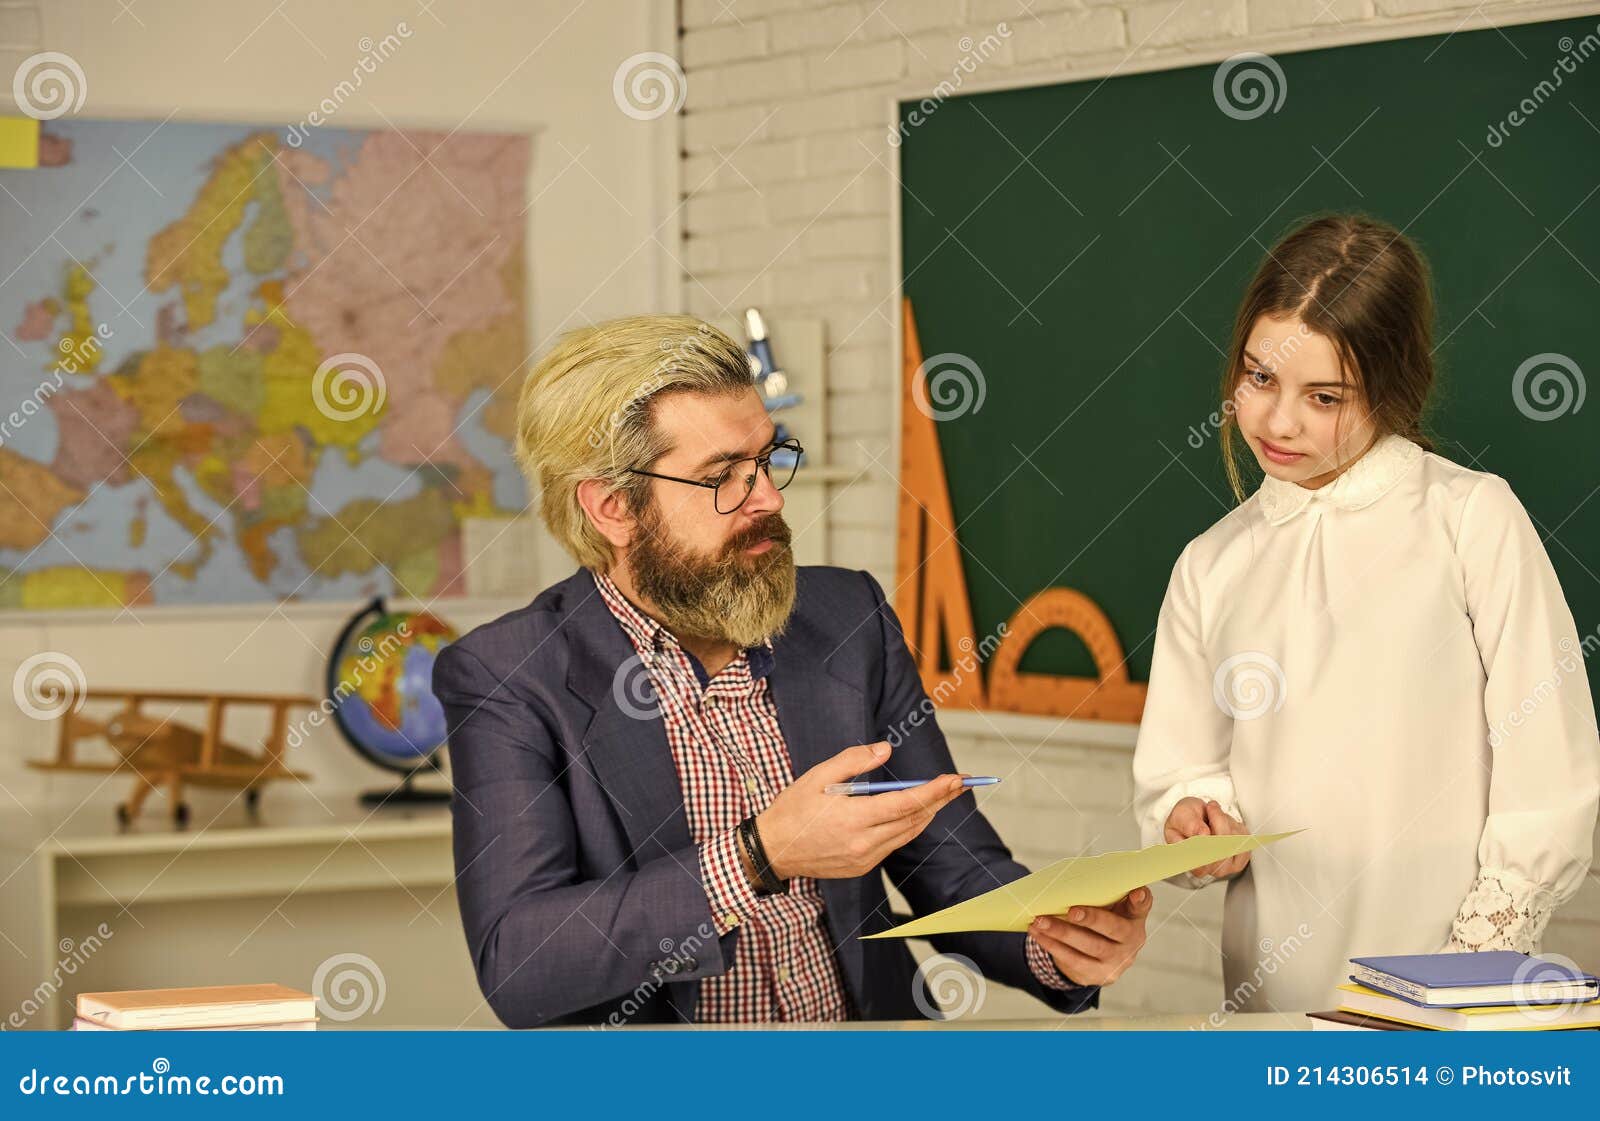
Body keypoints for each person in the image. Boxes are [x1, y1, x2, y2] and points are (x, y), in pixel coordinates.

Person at [434, 314, 1152, 1027]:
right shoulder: (508, 675)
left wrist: (1055, 945)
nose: (771, 500)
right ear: (613, 507)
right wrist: (761, 854)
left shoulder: (847, 618)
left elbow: (954, 870)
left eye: (768, 461)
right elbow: (521, 961)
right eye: (723, 478)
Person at [1132, 213, 1600, 1012]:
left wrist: (1458, 981)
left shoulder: (1469, 519)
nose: (1279, 422)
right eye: (1258, 378)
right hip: (1271, 995)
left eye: (1325, 396)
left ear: (1391, 383)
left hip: (1449, 990)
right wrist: (1193, 819)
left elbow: (1549, 777)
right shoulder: (1211, 563)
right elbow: (1182, 768)